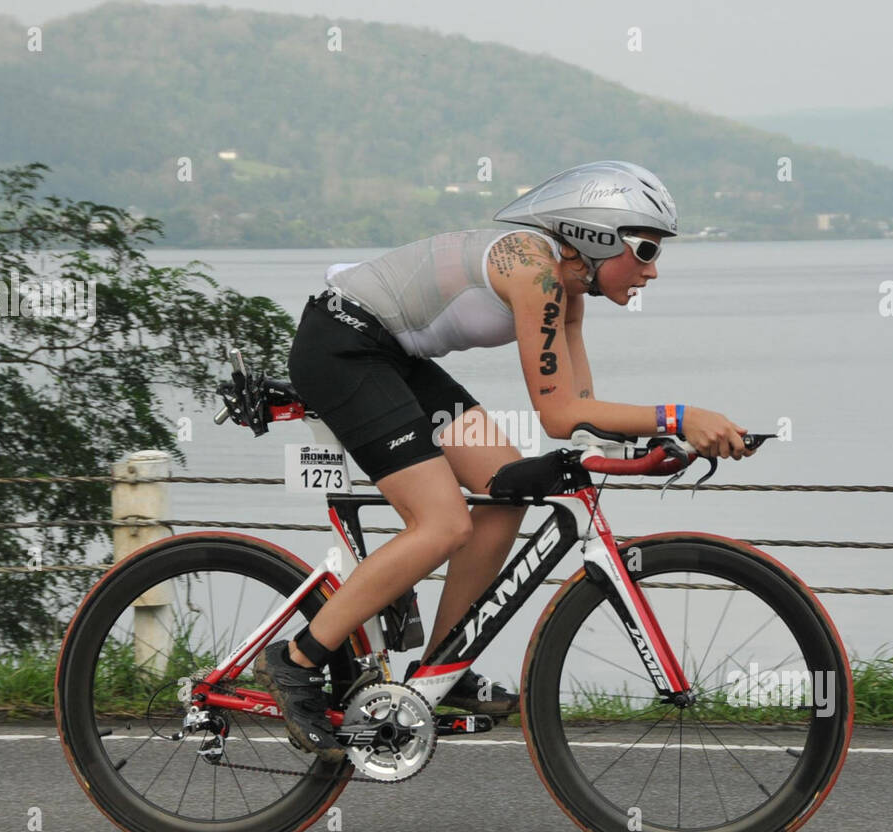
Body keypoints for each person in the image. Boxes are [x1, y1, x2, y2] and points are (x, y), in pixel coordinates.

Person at [262, 160, 755, 761]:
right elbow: (556, 412)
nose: (652, 269)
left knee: (504, 495)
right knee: (443, 522)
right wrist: (680, 415)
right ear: (596, 237)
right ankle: (296, 660)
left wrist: (649, 450)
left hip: (391, 355)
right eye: (646, 249)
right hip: (342, 347)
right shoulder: (536, 275)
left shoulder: (569, 285)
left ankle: (440, 667)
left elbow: (583, 412)